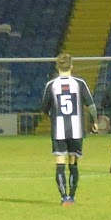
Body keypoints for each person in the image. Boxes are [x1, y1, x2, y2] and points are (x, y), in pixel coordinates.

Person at [40, 53, 93, 205]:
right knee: (73, 163)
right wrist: (95, 121)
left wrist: (50, 115)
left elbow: (44, 109)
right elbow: (91, 105)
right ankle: (72, 196)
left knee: (60, 163)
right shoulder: (79, 83)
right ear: (71, 66)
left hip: (59, 130)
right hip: (76, 130)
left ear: (57, 67)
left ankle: (64, 198)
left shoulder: (51, 85)